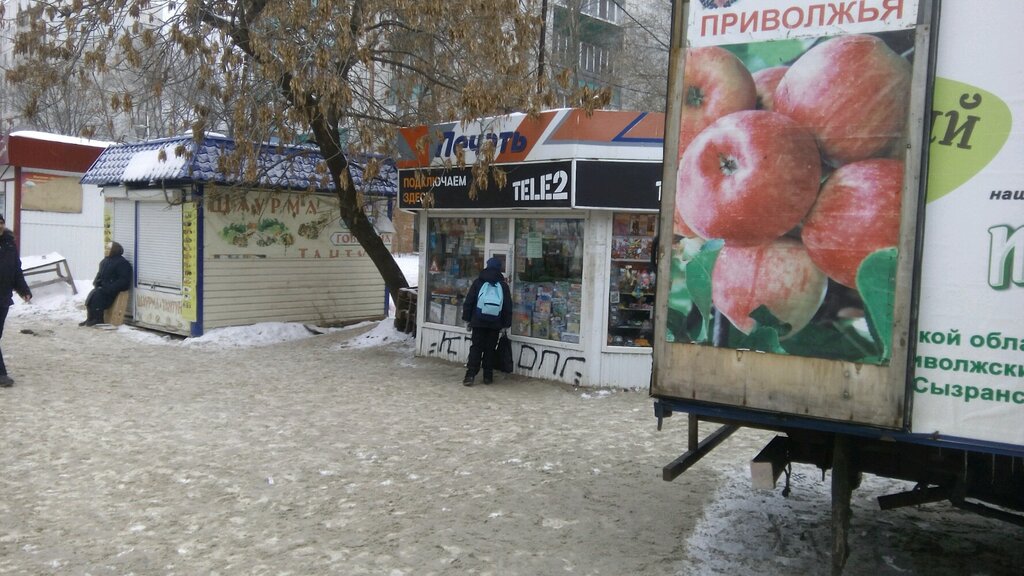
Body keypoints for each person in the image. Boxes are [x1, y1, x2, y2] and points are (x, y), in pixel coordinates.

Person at [461, 256, 512, 386]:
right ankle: (487, 376)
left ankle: (470, 375)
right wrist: (506, 324)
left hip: (478, 321)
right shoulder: (503, 285)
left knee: (476, 347)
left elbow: (469, 301)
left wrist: (467, 319)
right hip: (495, 323)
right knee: (490, 349)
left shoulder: (478, 282)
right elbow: (507, 307)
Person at [0, 214, 32, 387]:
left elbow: (16, 270)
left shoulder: (9, 244)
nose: (0, 226)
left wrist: (23, 290)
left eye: (1, 223)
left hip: (3, 298)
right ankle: (1, 374)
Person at [80, 241, 132, 327]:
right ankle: (90, 318)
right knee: (91, 296)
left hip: (112, 292)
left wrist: (110, 287)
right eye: (106, 248)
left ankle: (98, 319)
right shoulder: (104, 261)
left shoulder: (122, 263)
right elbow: (99, 275)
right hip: (103, 289)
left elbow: (124, 280)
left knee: (98, 297)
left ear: (114, 250)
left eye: (108, 249)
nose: (106, 250)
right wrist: (96, 282)